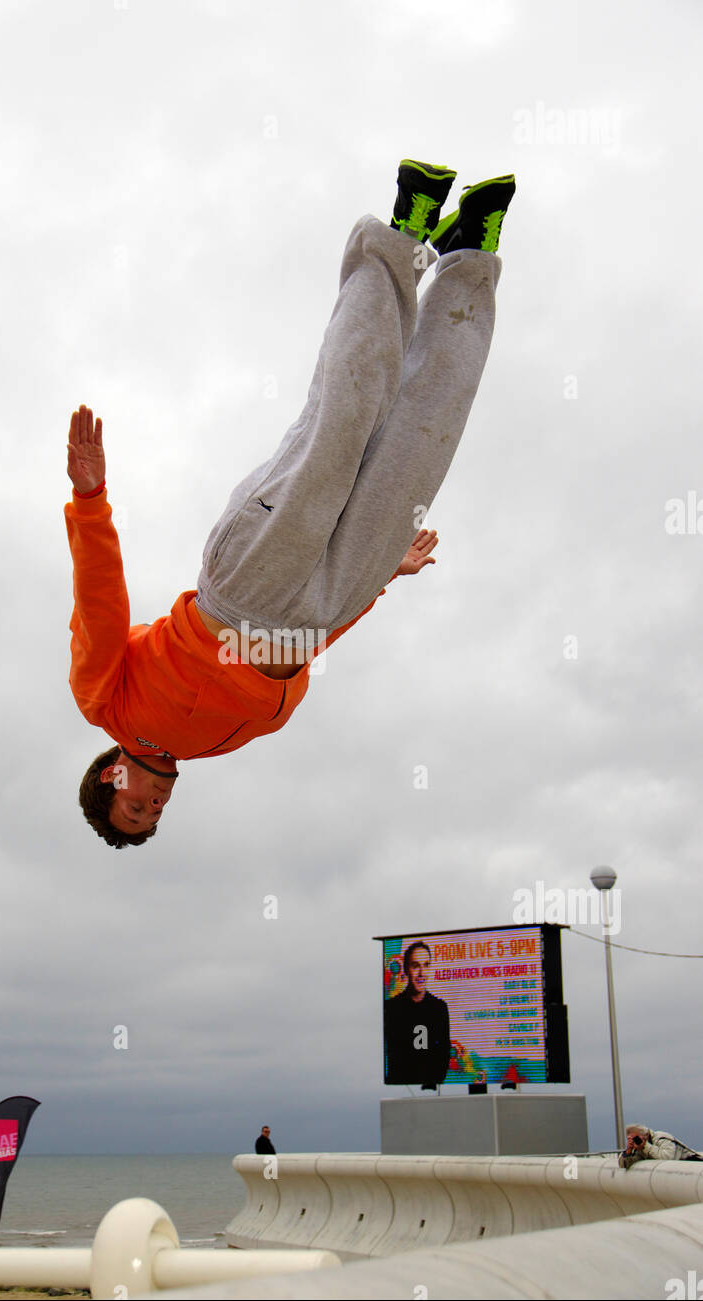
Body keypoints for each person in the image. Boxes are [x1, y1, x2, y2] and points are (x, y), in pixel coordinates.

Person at [65, 159, 515, 846]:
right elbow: (305, 646)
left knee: (343, 420)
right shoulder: (217, 746)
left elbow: (101, 606)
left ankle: (401, 235)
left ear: (108, 781)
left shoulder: (105, 705)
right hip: (321, 603)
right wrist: (378, 579)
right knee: (425, 436)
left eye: (134, 809)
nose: (151, 807)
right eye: (153, 817)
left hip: (247, 585)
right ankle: (470, 257)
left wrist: (90, 499)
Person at [384, 940, 451, 1086]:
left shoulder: (439, 1008)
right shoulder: (392, 1008)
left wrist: (434, 1079)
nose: (421, 973)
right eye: (415, 966)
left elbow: (444, 1052)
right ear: (407, 969)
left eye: (426, 965)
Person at [618, 1123, 703, 1169]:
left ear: (646, 1135)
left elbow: (666, 1158)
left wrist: (645, 1146)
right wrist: (628, 1151)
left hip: (691, 1163)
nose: (635, 1141)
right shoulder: (639, 1147)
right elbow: (623, 1165)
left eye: (636, 1138)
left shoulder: (661, 1138)